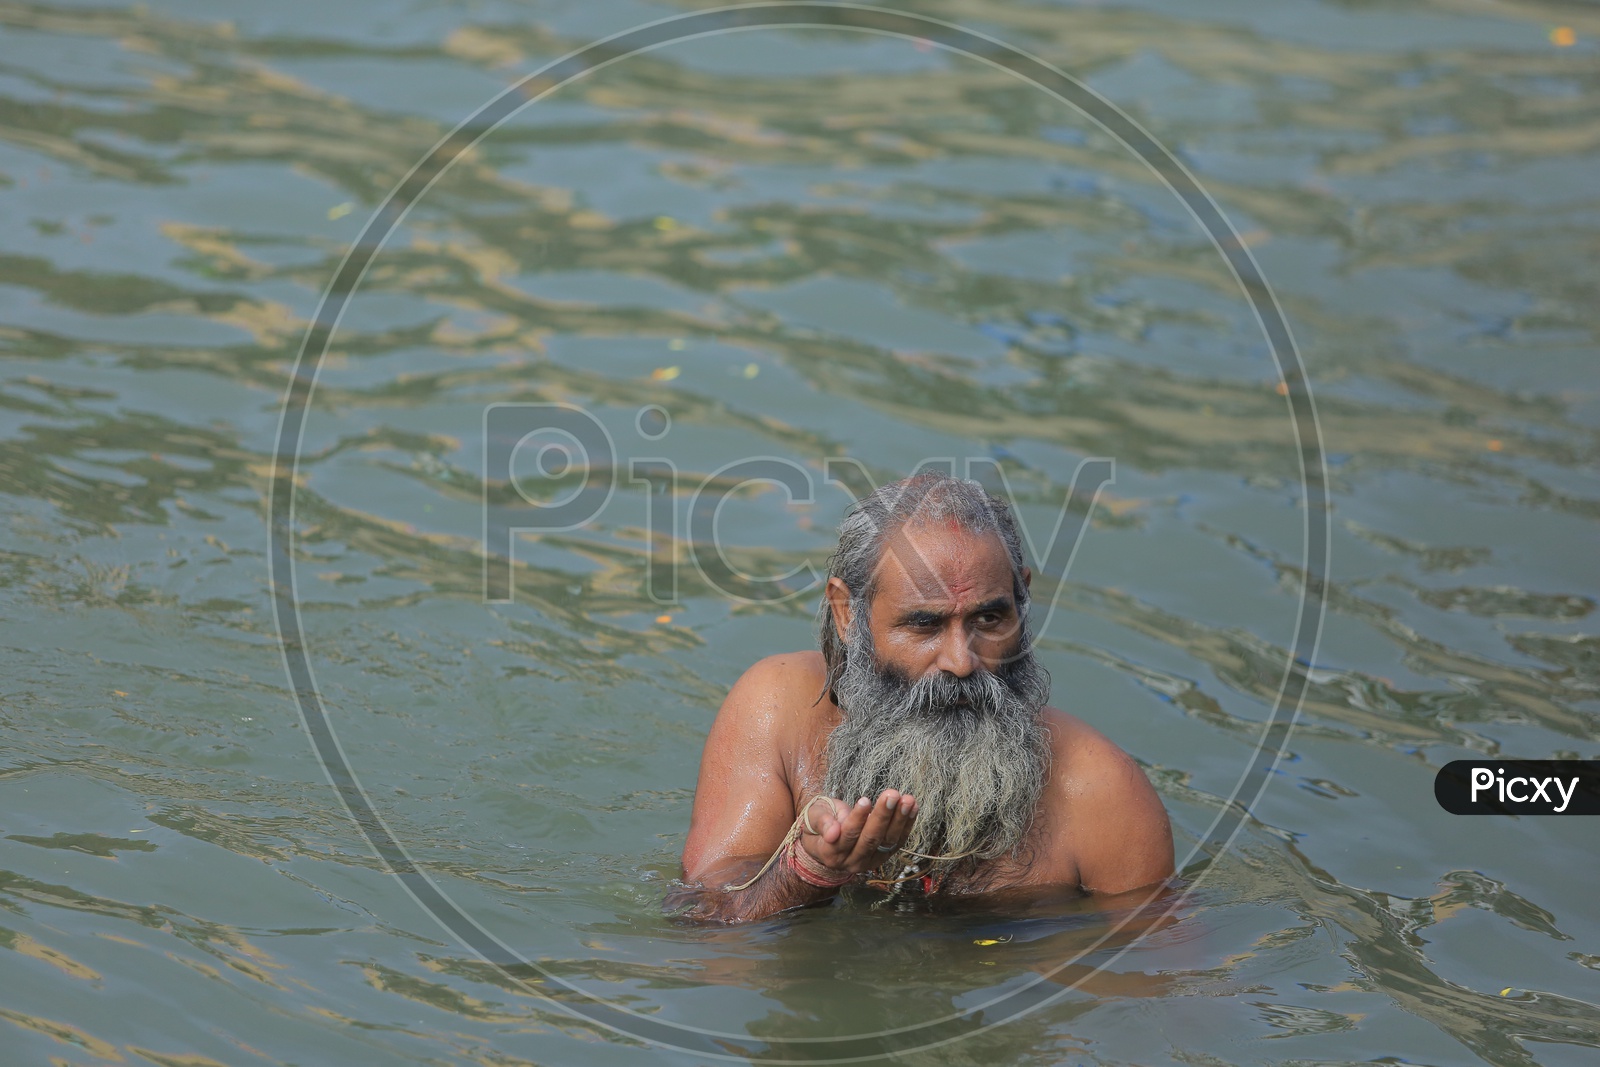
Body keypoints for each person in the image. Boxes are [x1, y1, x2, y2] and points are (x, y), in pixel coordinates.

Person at [673, 471, 1172, 922]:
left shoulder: (1102, 793)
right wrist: (809, 873)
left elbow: (1149, 986)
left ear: (1022, 596)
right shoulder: (778, 709)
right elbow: (705, 926)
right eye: (924, 624)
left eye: (989, 619)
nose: (961, 660)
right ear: (847, 614)